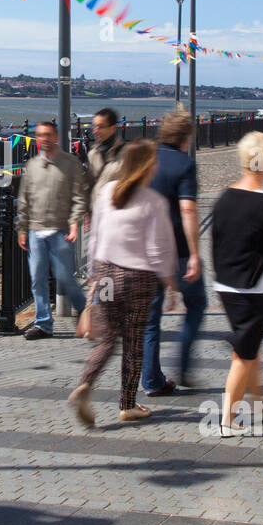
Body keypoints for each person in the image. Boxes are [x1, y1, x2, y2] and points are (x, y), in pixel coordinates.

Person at [69, 140, 178, 425]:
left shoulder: (106, 193)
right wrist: (171, 284)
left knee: (107, 340)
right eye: (153, 161)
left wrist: (93, 275)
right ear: (145, 166)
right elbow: (157, 250)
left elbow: (95, 236)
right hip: (138, 278)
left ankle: (85, 384)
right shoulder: (153, 201)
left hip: (105, 273)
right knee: (133, 342)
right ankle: (127, 404)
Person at [210, 132, 263, 436]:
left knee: (249, 346)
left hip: (226, 285)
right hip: (255, 288)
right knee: (243, 354)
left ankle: (260, 400)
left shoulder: (224, 198)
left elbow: (215, 242)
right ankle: (227, 419)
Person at [142, 108, 207, 396]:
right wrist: (195, 254)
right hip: (177, 251)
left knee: (150, 317)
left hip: (146, 249)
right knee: (196, 304)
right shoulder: (185, 164)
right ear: (186, 136)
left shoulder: (147, 158)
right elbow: (188, 208)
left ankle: (151, 380)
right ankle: (181, 363)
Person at [15, 121, 89, 339]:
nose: (43, 139)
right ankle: (44, 324)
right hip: (36, 230)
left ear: (56, 136)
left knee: (64, 277)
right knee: (37, 279)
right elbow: (25, 199)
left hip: (61, 230)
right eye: (39, 135)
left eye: (47, 135)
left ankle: (86, 313)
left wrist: (75, 223)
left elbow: (79, 196)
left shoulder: (70, 163)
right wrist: (22, 228)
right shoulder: (33, 166)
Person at [86, 108, 128, 207]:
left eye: (100, 127)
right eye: (94, 126)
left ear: (113, 128)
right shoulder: (93, 154)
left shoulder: (126, 153)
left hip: (116, 210)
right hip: (97, 211)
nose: (95, 131)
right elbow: (89, 184)